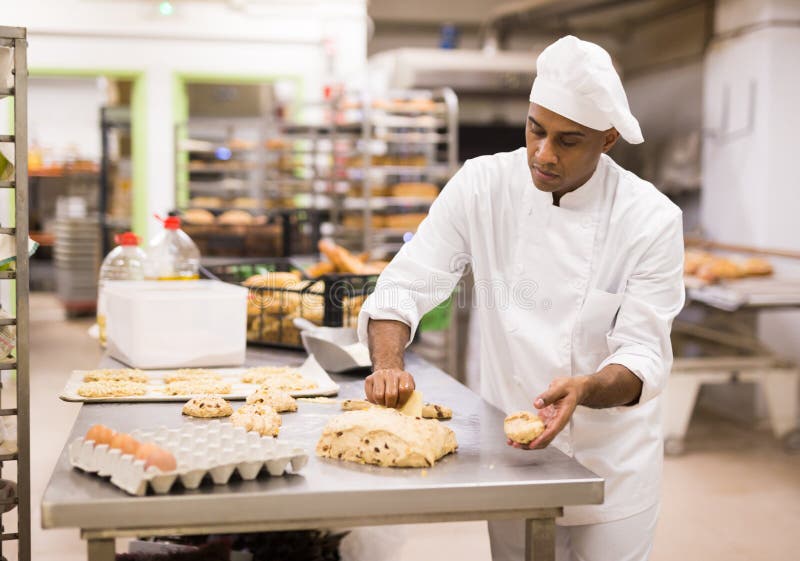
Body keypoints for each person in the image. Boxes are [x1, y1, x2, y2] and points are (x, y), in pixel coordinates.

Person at [357, 35, 685, 561]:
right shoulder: (482, 184)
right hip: (514, 454)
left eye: (568, 140)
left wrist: (586, 388)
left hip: (613, 463)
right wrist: (388, 363)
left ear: (607, 141)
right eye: (536, 130)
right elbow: (406, 283)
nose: (543, 153)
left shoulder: (649, 219)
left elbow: (643, 353)